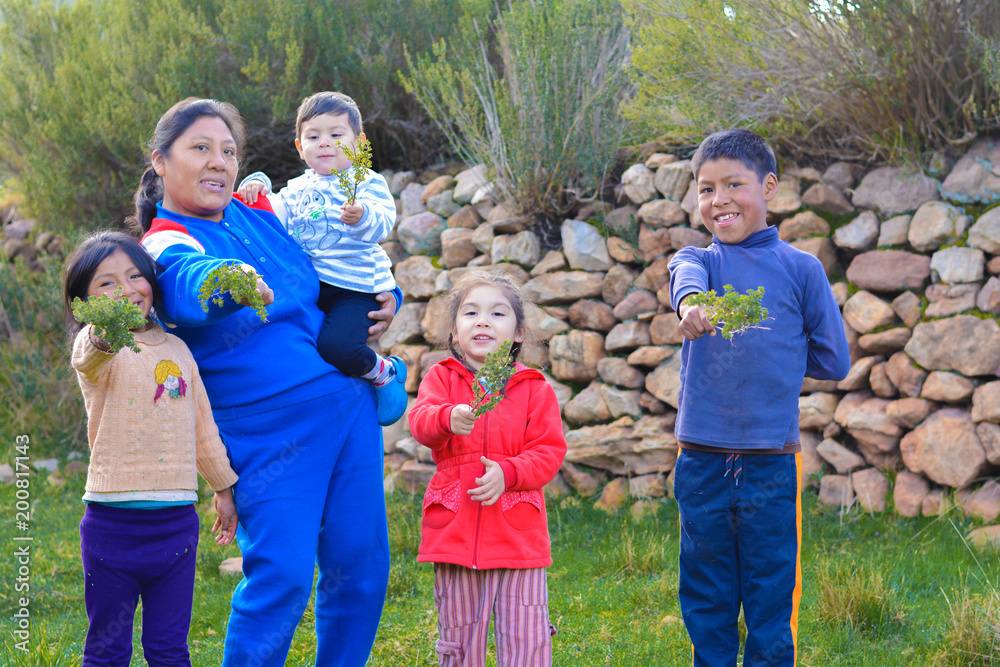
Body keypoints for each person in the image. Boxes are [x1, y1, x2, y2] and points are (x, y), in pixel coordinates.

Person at [131, 97, 401, 667]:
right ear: (160, 161)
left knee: (361, 569)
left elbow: (343, 259)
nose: (218, 162)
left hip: (346, 409)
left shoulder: (263, 214)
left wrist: (387, 297)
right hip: (266, 432)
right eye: (200, 148)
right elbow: (184, 284)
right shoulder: (163, 241)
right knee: (282, 578)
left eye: (228, 150)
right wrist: (230, 279)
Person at [668, 128, 851, 667]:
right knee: (705, 591)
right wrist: (692, 307)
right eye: (705, 189)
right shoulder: (698, 261)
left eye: (733, 184)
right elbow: (686, 278)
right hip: (699, 458)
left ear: (768, 187)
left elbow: (834, 361)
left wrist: (780, 358)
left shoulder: (801, 269)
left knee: (772, 597)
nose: (718, 199)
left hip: (772, 463)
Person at [63, 230, 239, 667]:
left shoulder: (179, 351)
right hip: (111, 528)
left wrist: (223, 487)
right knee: (107, 650)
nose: (125, 289)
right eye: (106, 283)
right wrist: (105, 327)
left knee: (168, 649)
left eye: (134, 275)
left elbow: (202, 427)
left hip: (176, 527)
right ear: (83, 303)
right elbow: (89, 353)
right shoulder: (99, 345)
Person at [408, 270, 566, 667]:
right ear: (455, 332)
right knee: (459, 639)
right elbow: (421, 422)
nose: (482, 321)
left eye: (497, 314)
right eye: (470, 313)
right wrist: (448, 417)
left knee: (526, 636)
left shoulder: (534, 388)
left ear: (517, 332)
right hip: (455, 532)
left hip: (518, 537)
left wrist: (508, 473)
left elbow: (548, 451)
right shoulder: (441, 379)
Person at [236, 91, 405, 426]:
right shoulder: (297, 188)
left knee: (337, 347)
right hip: (313, 287)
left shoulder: (365, 182)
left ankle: (384, 372)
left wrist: (363, 215)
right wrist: (257, 185)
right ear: (300, 147)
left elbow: (384, 222)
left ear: (358, 143)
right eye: (314, 136)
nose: (325, 143)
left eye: (336, 134)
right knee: (301, 347)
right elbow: (272, 213)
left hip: (355, 288)